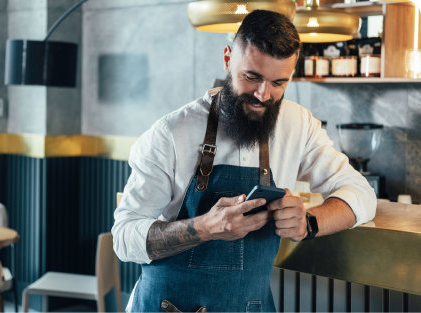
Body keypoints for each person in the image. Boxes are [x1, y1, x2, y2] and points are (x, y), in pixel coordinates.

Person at [111, 9, 377, 313]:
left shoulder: (297, 124)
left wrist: (309, 223)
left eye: (279, 82)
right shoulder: (171, 133)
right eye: (252, 77)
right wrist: (204, 228)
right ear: (227, 59)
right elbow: (124, 238)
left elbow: (362, 194)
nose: (263, 95)